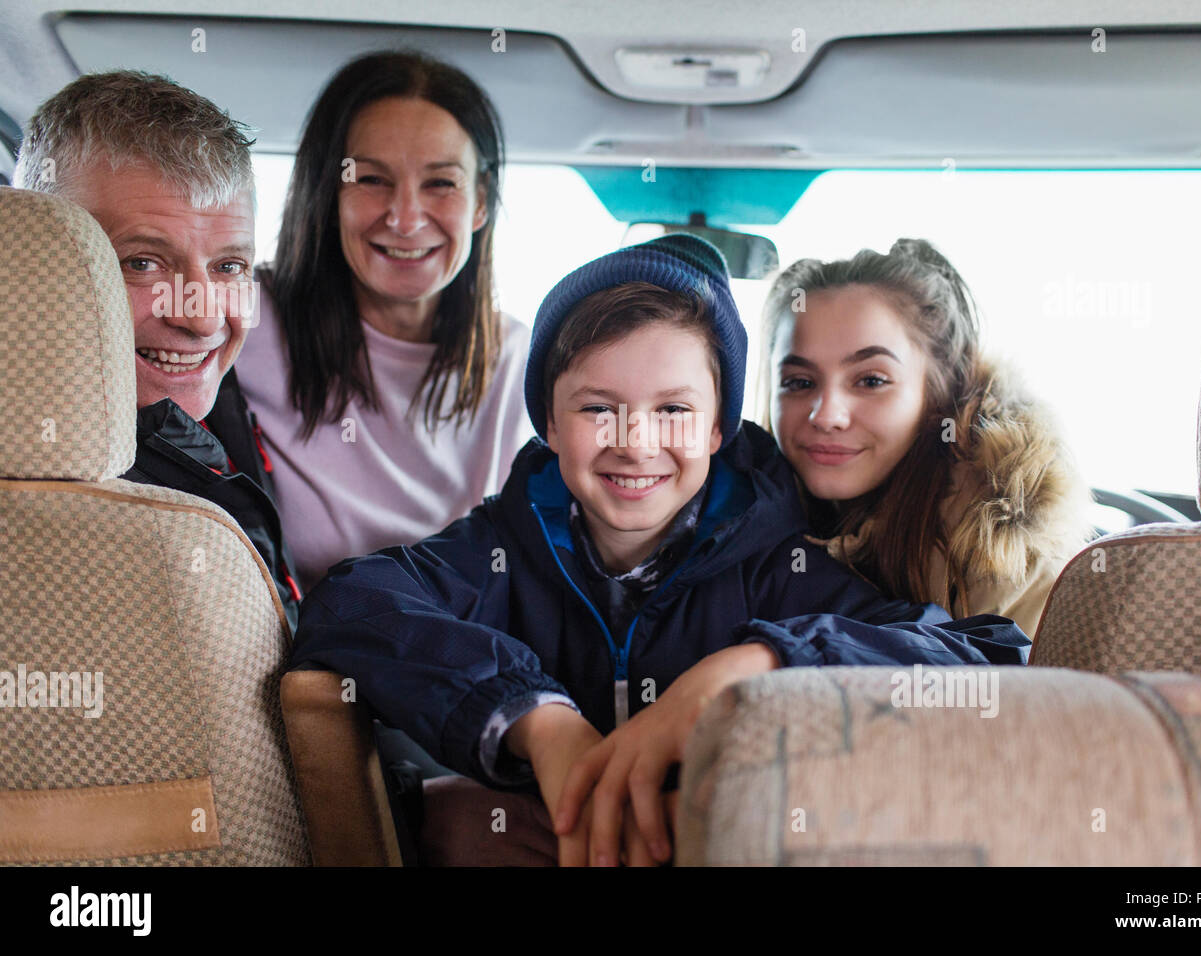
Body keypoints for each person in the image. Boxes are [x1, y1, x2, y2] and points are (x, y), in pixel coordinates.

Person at [291, 234, 1031, 867]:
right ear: (549, 420)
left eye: (674, 410)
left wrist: (757, 665)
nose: (635, 443)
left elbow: (994, 656)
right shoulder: (499, 548)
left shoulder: (783, 568)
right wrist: (538, 722)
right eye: (598, 408)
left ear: (719, 430)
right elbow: (351, 603)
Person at [236, 50, 533, 593]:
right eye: (371, 178)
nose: (404, 218)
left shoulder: (520, 359)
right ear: (327, 194)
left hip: (459, 653)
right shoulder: (247, 319)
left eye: (441, 183)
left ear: (481, 203)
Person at [14, 70, 302, 627]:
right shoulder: (73, 510)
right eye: (141, 263)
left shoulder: (211, 425)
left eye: (229, 267)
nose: (201, 316)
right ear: (34, 261)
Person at [760, 240, 1093, 639]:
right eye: (799, 382)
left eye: (871, 381)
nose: (826, 415)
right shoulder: (744, 518)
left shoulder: (1003, 556)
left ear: (935, 392)